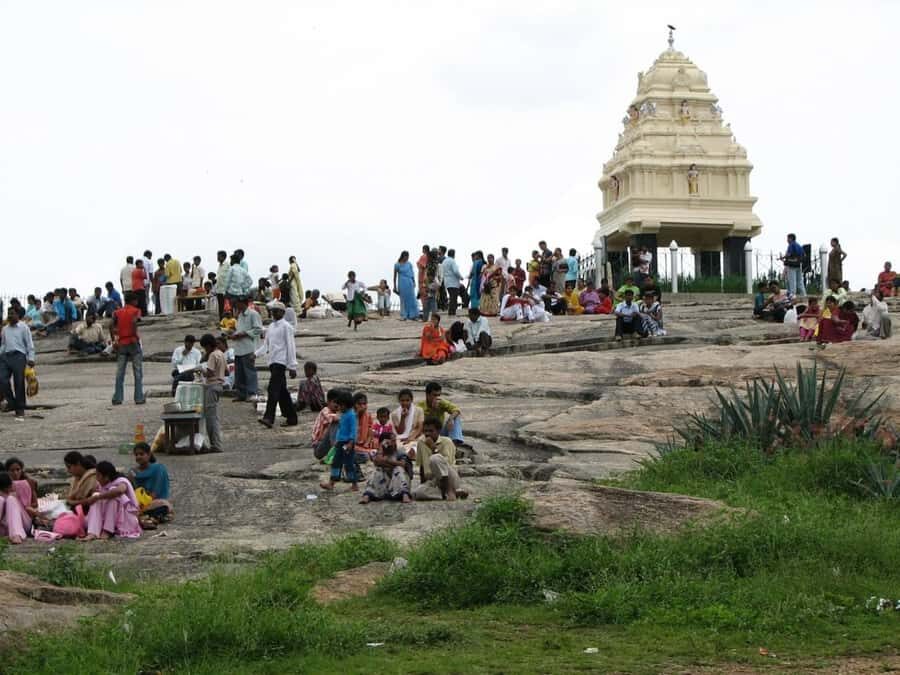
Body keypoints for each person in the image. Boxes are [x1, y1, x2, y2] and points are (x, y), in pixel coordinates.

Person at [258, 301, 298, 428]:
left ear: (282, 312)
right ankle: (292, 418)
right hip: (272, 361)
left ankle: (269, 417)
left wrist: (292, 366)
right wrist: (255, 354)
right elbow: (266, 345)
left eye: (276, 311)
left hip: (281, 362)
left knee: (272, 389)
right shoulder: (270, 327)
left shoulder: (286, 327)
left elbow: (291, 346)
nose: (273, 313)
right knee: (282, 392)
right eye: (272, 311)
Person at [80, 461, 142, 541]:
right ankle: (93, 532)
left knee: (112, 494)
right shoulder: (101, 484)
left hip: (126, 518)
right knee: (95, 495)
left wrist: (99, 497)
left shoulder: (121, 480)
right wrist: (95, 496)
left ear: (106, 477)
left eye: (98, 475)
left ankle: (107, 531)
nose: (97, 478)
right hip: (106, 516)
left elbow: (119, 491)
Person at [412, 417, 466, 501]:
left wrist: (433, 447)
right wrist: (422, 484)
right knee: (418, 493)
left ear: (438, 431)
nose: (427, 434)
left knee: (435, 458)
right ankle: (448, 494)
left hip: (449, 477)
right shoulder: (421, 442)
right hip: (434, 480)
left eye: (431, 431)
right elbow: (421, 465)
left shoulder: (447, 441)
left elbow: (446, 464)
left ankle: (450, 490)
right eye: (425, 431)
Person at [0, 307, 36, 421]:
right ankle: (12, 403)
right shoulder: (5, 329)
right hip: (6, 357)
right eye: (9, 313)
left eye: (12, 313)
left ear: (18, 315)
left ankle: (20, 409)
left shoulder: (24, 328)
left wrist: (31, 358)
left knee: (18, 382)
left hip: (19, 356)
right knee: (2, 380)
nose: (10, 316)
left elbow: (29, 344)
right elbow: (3, 344)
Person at [319, 389, 359, 491]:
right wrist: (337, 440)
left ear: (347, 404)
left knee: (349, 463)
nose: (340, 407)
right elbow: (340, 429)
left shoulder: (351, 415)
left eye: (341, 405)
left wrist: (351, 442)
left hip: (348, 443)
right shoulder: (343, 414)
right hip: (341, 442)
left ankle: (354, 484)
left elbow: (353, 430)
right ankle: (331, 483)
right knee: (336, 462)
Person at [111, 292, 144, 405]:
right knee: (137, 371)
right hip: (133, 341)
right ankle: (139, 397)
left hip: (122, 342)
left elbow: (111, 324)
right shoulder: (136, 311)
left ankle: (117, 398)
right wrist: (134, 333)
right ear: (133, 301)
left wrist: (114, 339)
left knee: (120, 372)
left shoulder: (117, 312)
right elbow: (135, 321)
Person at [360, 432, 412, 504]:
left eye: (394, 441)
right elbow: (377, 461)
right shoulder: (380, 452)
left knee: (398, 469)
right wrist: (381, 448)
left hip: (399, 482)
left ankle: (404, 494)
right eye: (392, 441)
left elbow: (402, 464)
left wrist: (386, 461)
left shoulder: (400, 451)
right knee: (377, 470)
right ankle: (368, 494)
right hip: (384, 483)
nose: (394, 443)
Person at [229, 298, 262, 403]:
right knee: (239, 372)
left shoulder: (253, 314)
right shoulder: (239, 316)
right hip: (239, 348)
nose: (236, 305)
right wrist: (234, 334)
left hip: (248, 347)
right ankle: (241, 393)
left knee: (249, 371)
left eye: (237, 303)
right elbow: (239, 329)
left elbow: (258, 329)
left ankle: (252, 393)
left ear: (243, 303)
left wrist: (244, 333)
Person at [131, 442, 172, 524]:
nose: (138, 457)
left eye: (141, 454)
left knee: (163, 506)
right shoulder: (133, 472)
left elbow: (156, 491)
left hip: (155, 501)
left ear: (149, 455)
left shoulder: (159, 468)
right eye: (136, 455)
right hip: (139, 503)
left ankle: (147, 515)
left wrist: (146, 503)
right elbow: (134, 490)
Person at [198, 334, 226, 452]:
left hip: (212, 385)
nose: (205, 350)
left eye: (205, 348)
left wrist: (200, 370)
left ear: (209, 346)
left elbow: (209, 372)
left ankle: (215, 445)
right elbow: (227, 371)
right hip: (219, 385)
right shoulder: (221, 354)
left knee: (211, 418)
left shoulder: (213, 355)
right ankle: (215, 443)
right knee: (213, 416)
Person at [418, 381, 468, 447]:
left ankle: (454, 444)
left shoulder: (441, 402)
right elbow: (423, 425)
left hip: (440, 432)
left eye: (438, 395)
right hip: (428, 434)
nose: (437, 397)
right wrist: (433, 410)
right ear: (427, 395)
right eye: (434, 395)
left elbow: (456, 410)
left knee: (456, 417)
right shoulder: (420, 406)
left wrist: (451, 419)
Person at [0, 472, 31, 544]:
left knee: (11, 499)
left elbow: (28, 506)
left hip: (22, 525)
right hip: (3, 529)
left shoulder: (21, 485)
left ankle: (16, 534)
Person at [393, 251, 420, 321]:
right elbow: (395, 277)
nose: (407, 258)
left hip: (409, 282)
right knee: (403, 299)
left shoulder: (409, 264)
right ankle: (404, 315)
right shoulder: (397, 265)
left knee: (412, 299)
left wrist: (414, 281)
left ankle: (413, 315)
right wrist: (394, 286)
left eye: (408, 257)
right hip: (402, 283)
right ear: (403, 256)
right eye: (406, 257)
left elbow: (412, 273)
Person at [781, 233, 806, 297]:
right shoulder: (799, 246)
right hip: (798, 265)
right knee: (800, 282)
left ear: (791, 238)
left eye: (788, 238)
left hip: (791, 265)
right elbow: (804, 255)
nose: (787, 240)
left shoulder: (791, 245)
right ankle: (803, 295)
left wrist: (783, 257)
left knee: (792, 281)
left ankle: (793, 296)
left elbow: (789, 254)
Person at [441, 249, 463, 316]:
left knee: (451, 297)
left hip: (447, 282)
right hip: (453, 282)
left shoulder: (444, 261)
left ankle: (451, 312)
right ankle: (452, 313)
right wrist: (461, 277)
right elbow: (456, 271)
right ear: (453, 254)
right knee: (454, 298)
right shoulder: (452, 261)